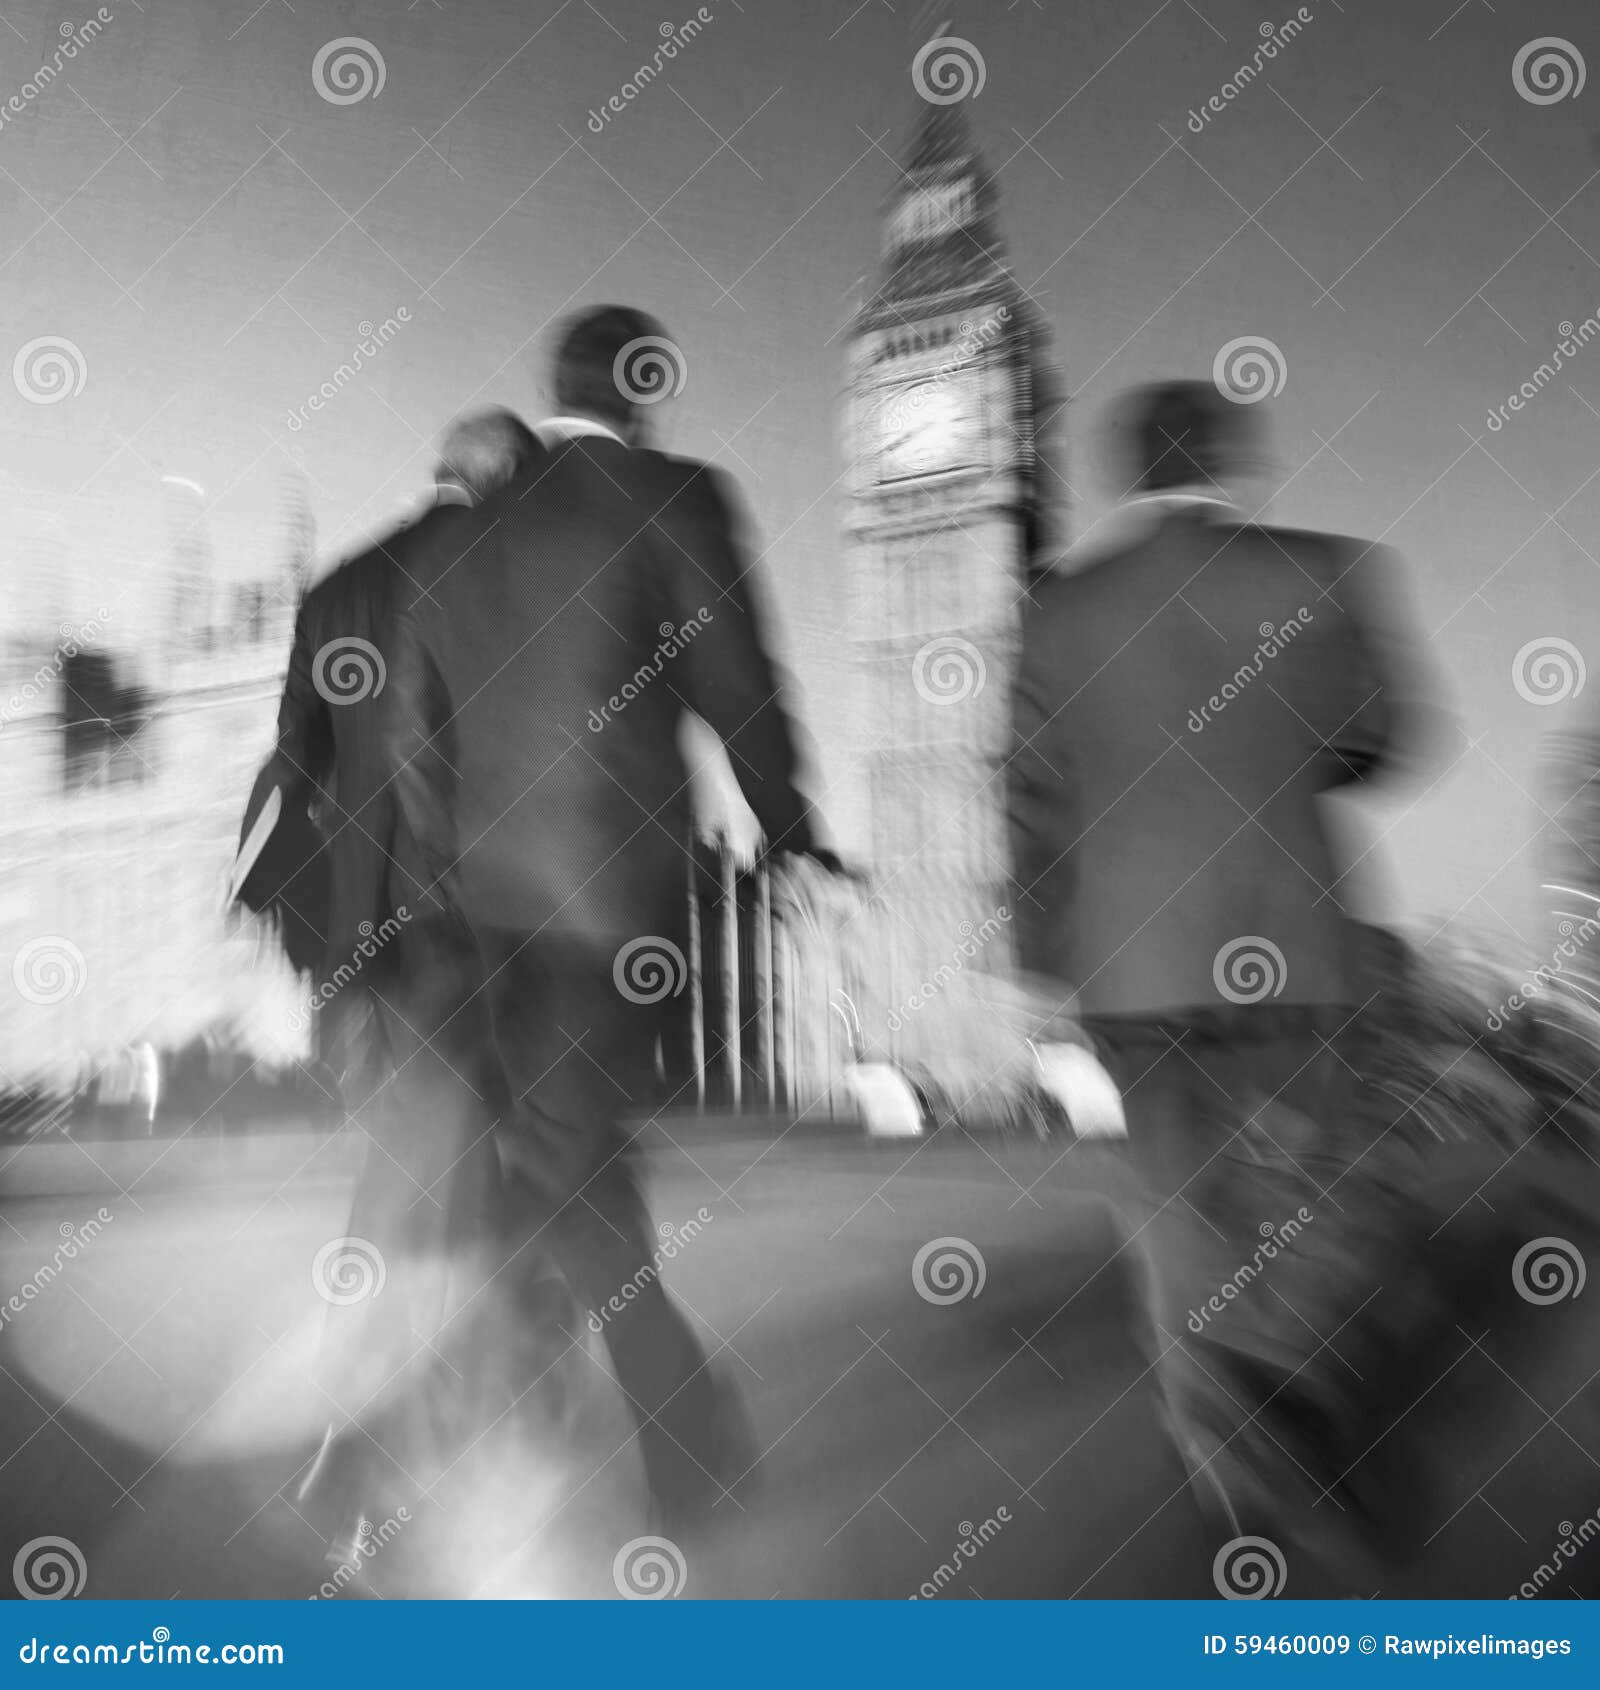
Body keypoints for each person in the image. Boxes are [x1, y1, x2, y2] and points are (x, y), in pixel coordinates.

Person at [382, 304, 836, 1539]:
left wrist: (435, 885)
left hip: (478, 920)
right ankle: (681, 1437)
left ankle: (505, 1419)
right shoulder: (670, 496)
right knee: (574, 1173)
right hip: (605, 914)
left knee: (551, 1164)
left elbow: (414, 748)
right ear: (645, 387)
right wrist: (787, 827)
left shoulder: (454, 544)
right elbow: (737, 680)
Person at [1005, 380, 1447, 1567]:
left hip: (1133, 969)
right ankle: (1286, 1392)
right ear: (1234, 465)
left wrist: (1044, 970)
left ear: (1127, 477)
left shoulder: (1058, 611)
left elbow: (1029, 802)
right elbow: (1382, 736)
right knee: (1325, 1192)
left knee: (1177, 1214)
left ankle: (1246, 1462)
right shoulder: (1321, 570)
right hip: (1292, 948)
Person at [233, 407, 543, 1568]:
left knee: (441, 1173)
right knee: (427, 1187)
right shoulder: (500, 574)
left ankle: (447, 1433)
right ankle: (370, 1456)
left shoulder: (341, 584)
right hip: (457, 924)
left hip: (350, 934)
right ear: (507, 481)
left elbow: (292, 754)